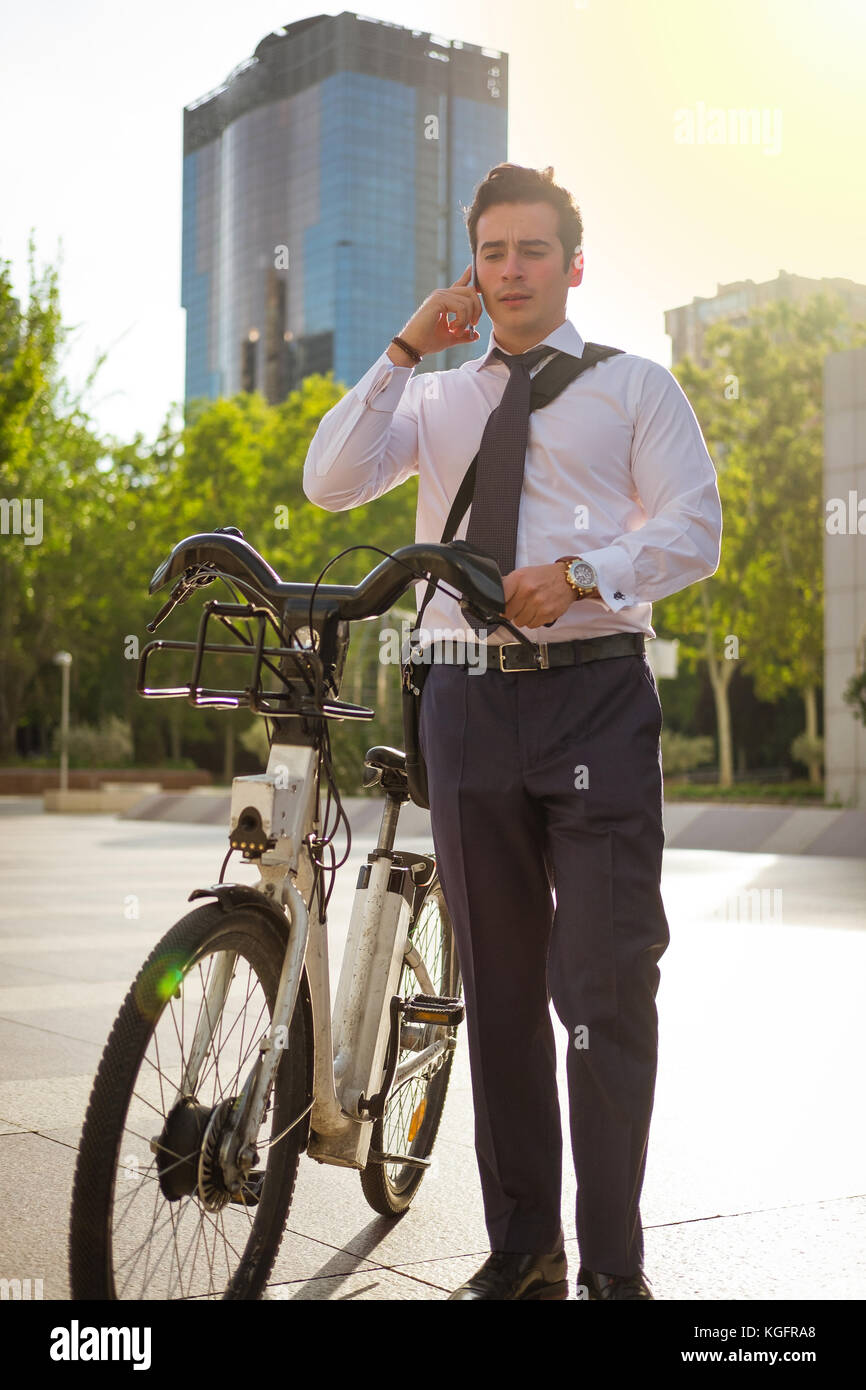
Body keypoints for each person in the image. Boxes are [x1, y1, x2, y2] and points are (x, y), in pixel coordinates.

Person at [303, 163, 722, 1300]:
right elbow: (328, 482)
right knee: (494, 987)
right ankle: (522, 1245)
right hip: (464, 704)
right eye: (490, 253)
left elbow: (695, 530)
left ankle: (615, 1267)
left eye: (531, 251)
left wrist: (586, 571)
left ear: (572, 264)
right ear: (470, 270)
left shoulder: (633, 386)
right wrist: (400, 349)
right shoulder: (436, 399)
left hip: (592, 692)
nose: (509, 272)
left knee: (600, 984)